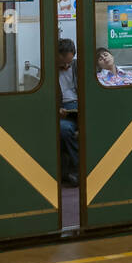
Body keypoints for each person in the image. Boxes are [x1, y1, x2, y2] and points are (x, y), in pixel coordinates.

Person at [56, 39, 79, 186]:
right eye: (62, 62)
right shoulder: (49, 70)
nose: (66, 65)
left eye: (68, 63)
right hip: (64, 108)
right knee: (63, 129)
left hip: (79, 106)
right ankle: (78, 169)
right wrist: (56, 109)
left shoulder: (78, 66)